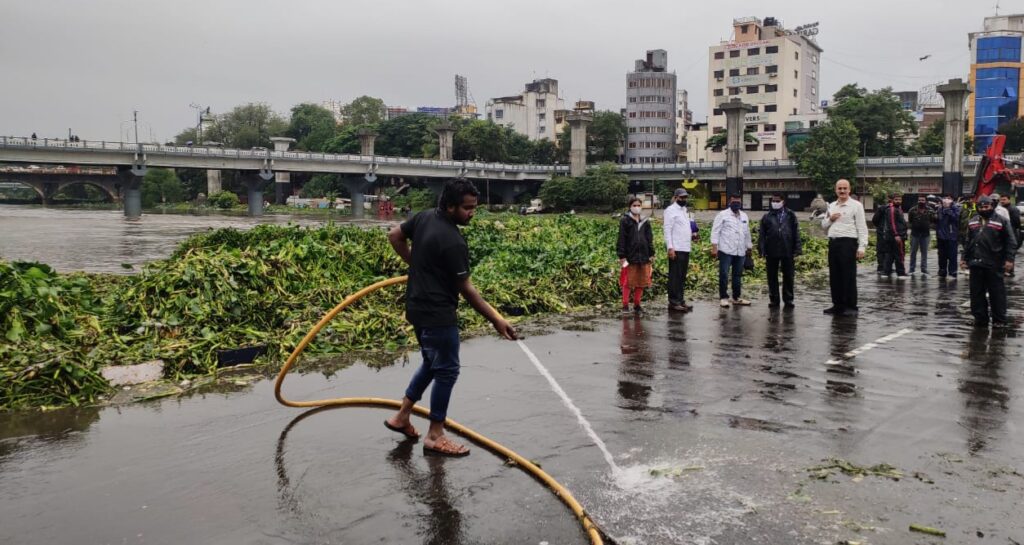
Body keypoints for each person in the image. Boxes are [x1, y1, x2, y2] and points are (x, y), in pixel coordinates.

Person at [384, 178, 517, 457]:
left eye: (474, 208)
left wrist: (417, 265)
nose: (472, 213)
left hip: (416, 309)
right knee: (446, 371)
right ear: (450, 206)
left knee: (432, 364)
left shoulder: (423, 218)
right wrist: (496, 319)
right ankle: (435, 435)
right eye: (467, 208)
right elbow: (467, 289)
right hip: (438, 314)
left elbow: (395, 236)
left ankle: (401, 417)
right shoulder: (453, 241)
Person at [961, 196, 1018, 327]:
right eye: (981, 207)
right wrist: (964, 259)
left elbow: (1011, 241)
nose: (984, 209)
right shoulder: (973, 221)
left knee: (996, 293)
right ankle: (980, 319)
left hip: (994, 262)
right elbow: (968, 242)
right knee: (976, 294)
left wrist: (1010, 259)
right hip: (975, 263)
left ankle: (999, 320)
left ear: (991, 206)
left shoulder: (1001, 221)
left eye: (986, 207)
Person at [822, 179, 869, 316]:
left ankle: (850, 306)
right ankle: (837, 305)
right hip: (833, 243)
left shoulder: (856, 205)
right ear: (835, 190)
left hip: (848, 243)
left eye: (844, 188)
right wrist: (831, 219)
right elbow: (824, 226)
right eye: (839, 188)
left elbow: (862, 227)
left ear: (849, 189)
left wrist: (862, 247)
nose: (842, 191)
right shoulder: (831, 206)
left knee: (848, 276)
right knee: (834, 276)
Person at [758, 191, 802, 308]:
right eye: (773, 201)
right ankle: (774, 300)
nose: (775, 203)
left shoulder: (790, 215)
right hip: (771, 250)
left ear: (783, 202)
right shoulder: (766, 217)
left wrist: (797, 248)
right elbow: (762, 234)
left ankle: (788, 300)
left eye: (777, 201)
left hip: (787, 249)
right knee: (772, 276)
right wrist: (761, 249)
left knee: (788, 276)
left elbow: (796, 232)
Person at [711, 194, 753, 307]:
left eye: (738, 202)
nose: (736, 203)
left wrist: (749, 247)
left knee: (737, 274)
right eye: (734, 201)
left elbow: (747, 232)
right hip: (726, 250)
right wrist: (714, 247)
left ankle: (736, 297)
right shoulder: (723, 215)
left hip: (740, 251)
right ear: (730, 202)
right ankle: (723, 297)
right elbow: (715, 231)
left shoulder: (744, 216)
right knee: (724, 274)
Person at [617, 197, 655, 315]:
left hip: (643, 256)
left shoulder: (645, 221)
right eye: (634, 205)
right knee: (628, 282)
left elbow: (649, 239)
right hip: (629, 256)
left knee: (641, 281)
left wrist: (651, 253)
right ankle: (625, 305)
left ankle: (637, 304)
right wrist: (622, 256)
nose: (637, 207)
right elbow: (621, 239)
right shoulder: (625, 221)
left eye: (639, 205)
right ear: (630, 206)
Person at [663, 188, 695, 312]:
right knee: (675, 276)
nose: (683, 200)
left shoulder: (684, 210)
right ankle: (673, 302)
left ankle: (681, 300)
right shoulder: (670, 211)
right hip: (676, 248)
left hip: (685, 247)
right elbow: (667, 230)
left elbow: (684, 228)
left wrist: (693, 235)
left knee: (682, 276)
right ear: (675, 198)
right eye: (681, 198)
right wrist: (670, 247)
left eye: (685, 197)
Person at [872, 192, 908, 278]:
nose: (898, 201)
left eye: (900, 199)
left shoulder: (897, 208)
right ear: (891, 200)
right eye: (896, 199)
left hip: (888, 235)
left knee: (889, 254)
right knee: (898, 254)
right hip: (894, 236)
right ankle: (900, 273)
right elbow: (892, 223)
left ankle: (886, 271)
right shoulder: (891, 209)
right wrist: (896, 234)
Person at [908, 194, 935, 276]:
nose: (921, 202)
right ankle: (911, 269)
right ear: (917, 201)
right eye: (919, 200)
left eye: (923, 200)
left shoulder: (930, 210)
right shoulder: (912, 210)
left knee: (924, 253)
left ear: (925, 201)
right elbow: (910, 221)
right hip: (914, 234)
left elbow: (933, 220)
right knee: (913, 252)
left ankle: (924, 269)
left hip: (925, 235)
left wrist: (928, 226)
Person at [935, 194, 961, 280]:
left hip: (951, 237)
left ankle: (952, 272)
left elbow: (956, 219)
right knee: (942, 255)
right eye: (945, 198)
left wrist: (948, 209)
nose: (946, 200)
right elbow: (938, 220)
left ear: (952, 200)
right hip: (941, 237)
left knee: (952, 256)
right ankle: (942, 271)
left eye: (949, 198)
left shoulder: (956, 208)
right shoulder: (939, 208)